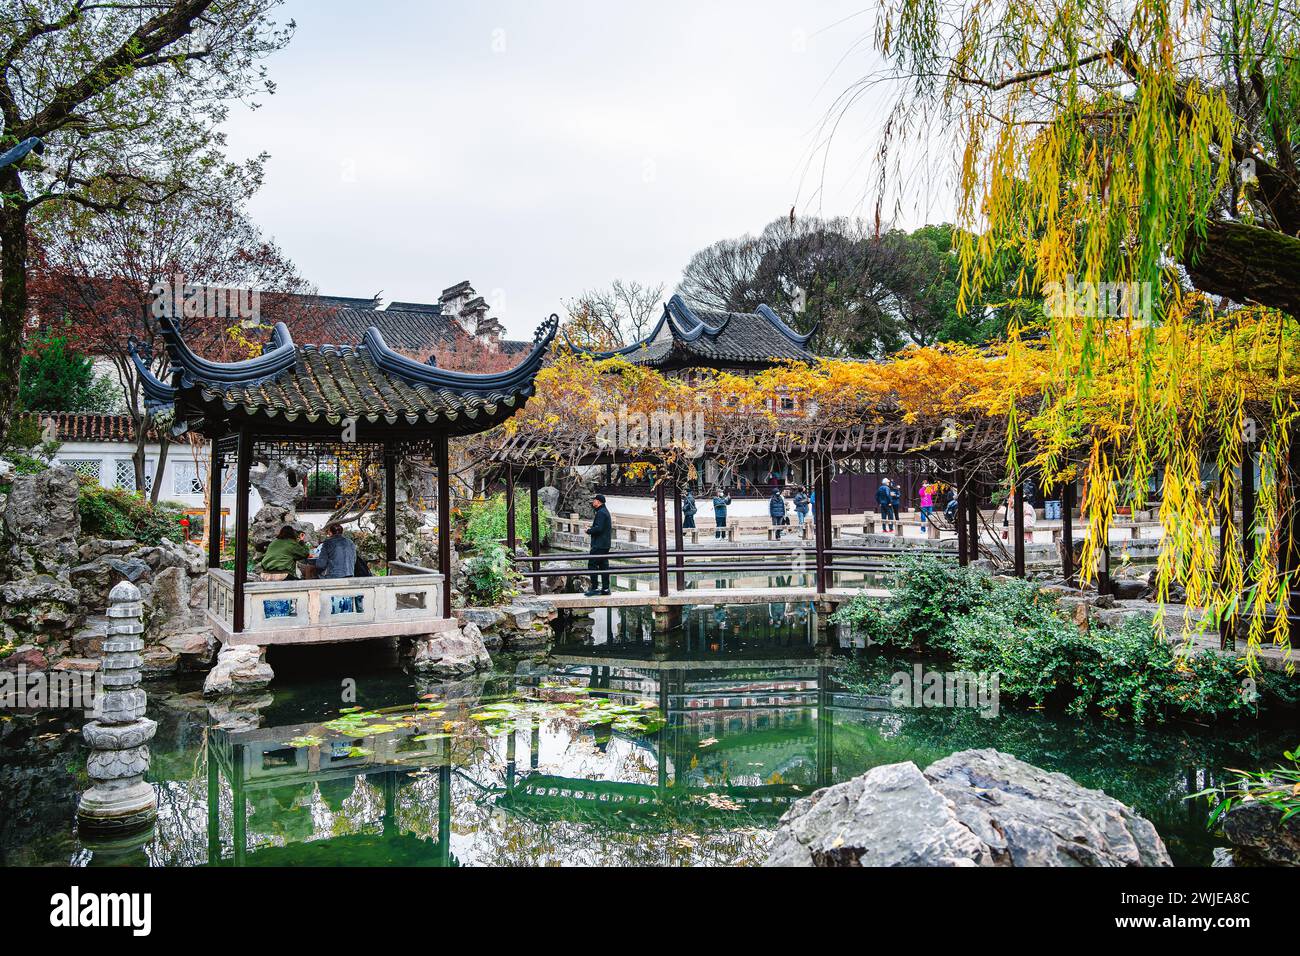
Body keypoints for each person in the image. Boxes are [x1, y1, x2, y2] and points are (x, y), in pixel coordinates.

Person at [585, 493, 612, 596]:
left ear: (598, 502)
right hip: (605, 544)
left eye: (594, 500)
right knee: (603, 566)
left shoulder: (601, 513)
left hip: (599, 545)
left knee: (592, 564)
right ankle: (605, 588)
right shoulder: (604, 511)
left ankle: (595, 588)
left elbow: (599, 528)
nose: (593, 502)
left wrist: (589, 530)